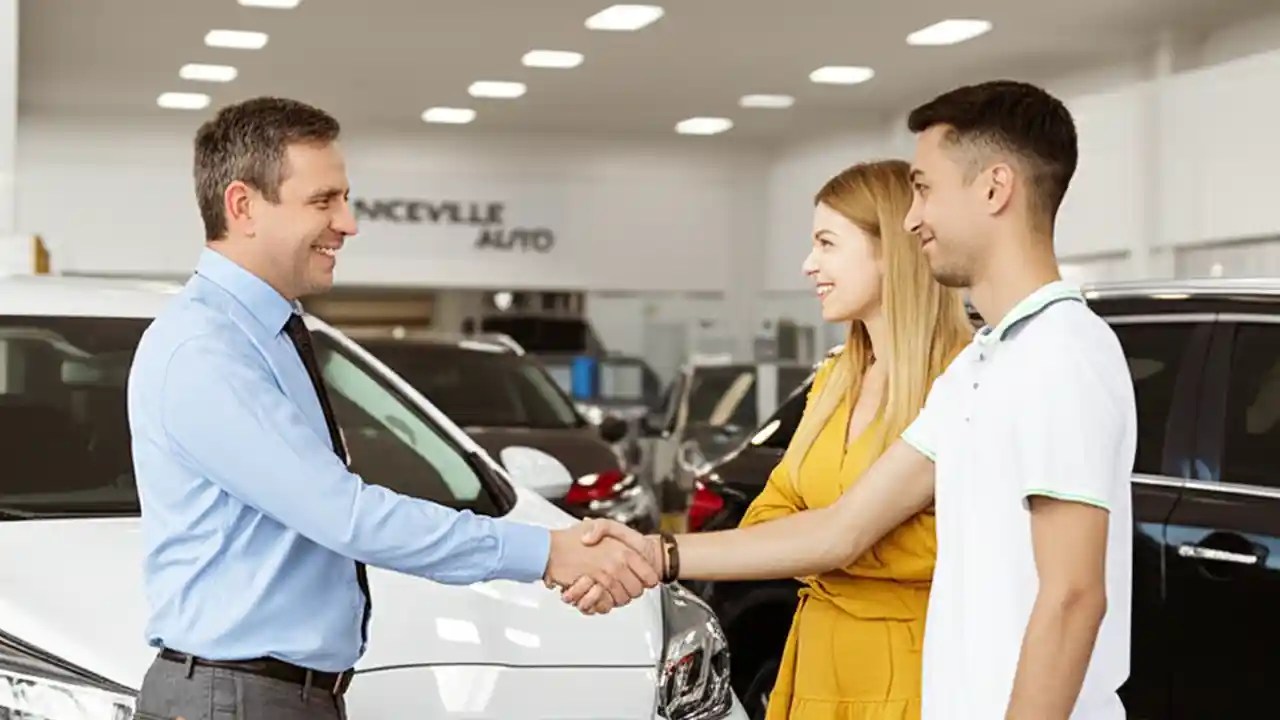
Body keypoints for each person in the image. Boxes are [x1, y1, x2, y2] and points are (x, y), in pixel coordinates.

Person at [567, 80, 1138, 720]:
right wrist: (656, 553)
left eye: (925, 188)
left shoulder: (1059, 354)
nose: (914, 217)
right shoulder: (985, 363)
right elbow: (841, 529)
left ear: (994, 188)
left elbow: (1072, 596)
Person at [126, 96, 658, 720]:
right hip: (234, 702)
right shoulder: (206, 350)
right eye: (323, 201)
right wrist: (549, 551)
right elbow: (346, 515)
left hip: (270, 697)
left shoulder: (270, 334)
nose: (348, 223)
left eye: (344, 199)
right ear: (242, 206)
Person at [582, 158, 972, 718]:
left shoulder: (962, 380)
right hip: (815, 654)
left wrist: (658, 552)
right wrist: (834, 540)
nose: (809, 265)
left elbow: (834, 536)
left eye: (827, 243)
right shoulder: (837, 378)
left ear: (890, 250)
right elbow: (775, 513)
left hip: (914, 665)